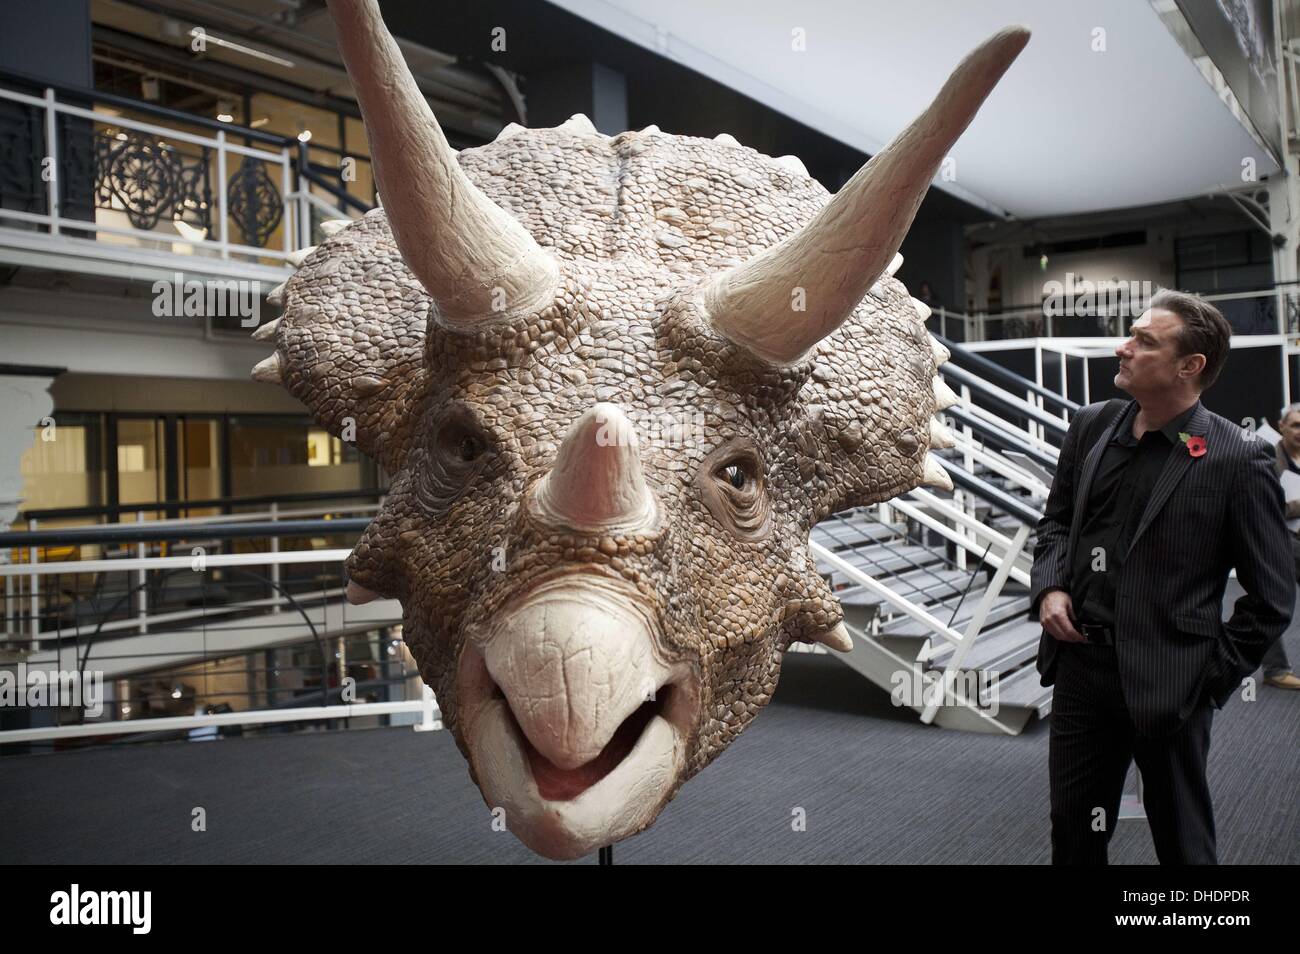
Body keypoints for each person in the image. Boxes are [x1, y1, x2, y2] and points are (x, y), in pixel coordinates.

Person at [1029, 289, 1293, 865]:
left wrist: (1204, 678)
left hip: (1170, 681)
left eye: (1145, 341)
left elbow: (1271, 597)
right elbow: (1054, 525)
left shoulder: (1235, 457)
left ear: (1189, 366)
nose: (1122, 347)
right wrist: (1050, 587)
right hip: (1081, 672)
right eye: (1131, 333)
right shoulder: (1092, 426)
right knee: (1074, 832)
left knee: (1182, 839)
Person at [1265, 405, 1300, 689]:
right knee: (1272, 605)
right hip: (1277, 542)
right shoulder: (1267, 459)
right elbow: (1266, 507)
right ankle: (1276, 670)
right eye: (1296, 425)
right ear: (1282, 426)